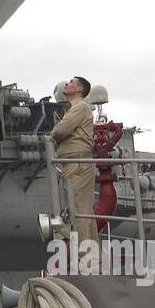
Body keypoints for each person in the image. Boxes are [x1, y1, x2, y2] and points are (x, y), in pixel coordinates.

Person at [51, 76, 97, 244]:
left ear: (79, 89)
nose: (67, 83)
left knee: (79, 214)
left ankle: (86, 259)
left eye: (71, 82)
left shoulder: (80, 107)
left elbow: (61, 130)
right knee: (84, 212)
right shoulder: (72, 108)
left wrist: (50, 138)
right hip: (74, 163)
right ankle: (92, 259)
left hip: (78, 164)